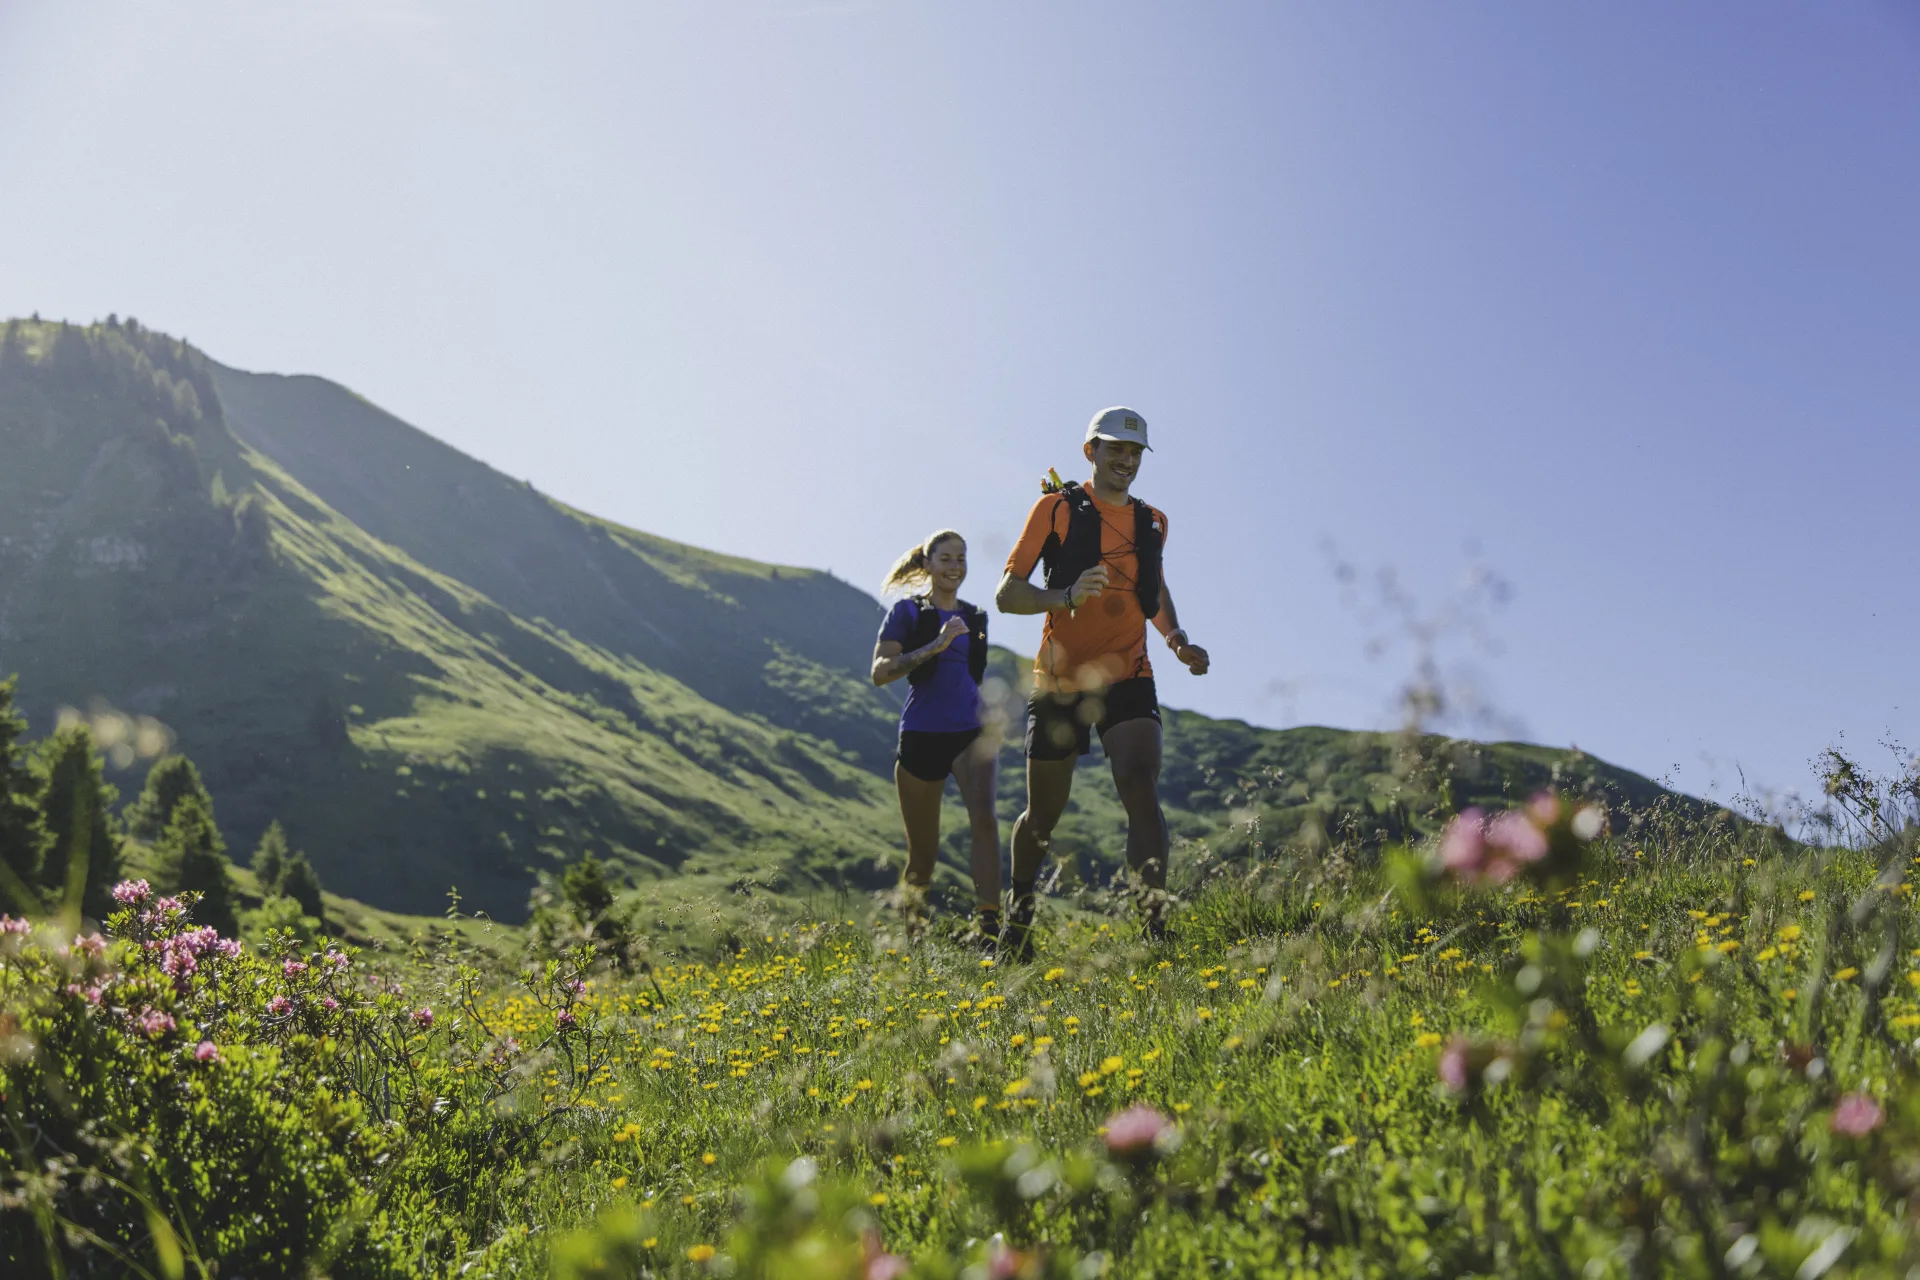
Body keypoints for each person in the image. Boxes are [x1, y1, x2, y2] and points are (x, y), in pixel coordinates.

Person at [994, 407, 1209, 959]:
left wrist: (1177, 638)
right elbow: (1008, 594)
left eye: (1135, 452)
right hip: (1061, 679)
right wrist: (1063, 597)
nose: (1126, 460)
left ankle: (1155, 929)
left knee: (1140, 780)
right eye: (1115, 449)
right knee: (1043, 814)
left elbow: (1153, 593)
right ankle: (1017, 917)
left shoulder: (1153, 521)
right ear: (1090, 451)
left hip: (1128, 669)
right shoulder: (1056, 509)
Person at [870, 530, 1002, 943]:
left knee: (984, 820)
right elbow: (880, 672)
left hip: (970, 732)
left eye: (961, 559)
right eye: (945, 558)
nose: (955, 566)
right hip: (922, 734)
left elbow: (972, 676)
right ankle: (915, 939)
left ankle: (990, 928)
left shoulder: (977, 619)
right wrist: (935, 646)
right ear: (927, 565)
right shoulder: (908, 613)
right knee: (923, 853)